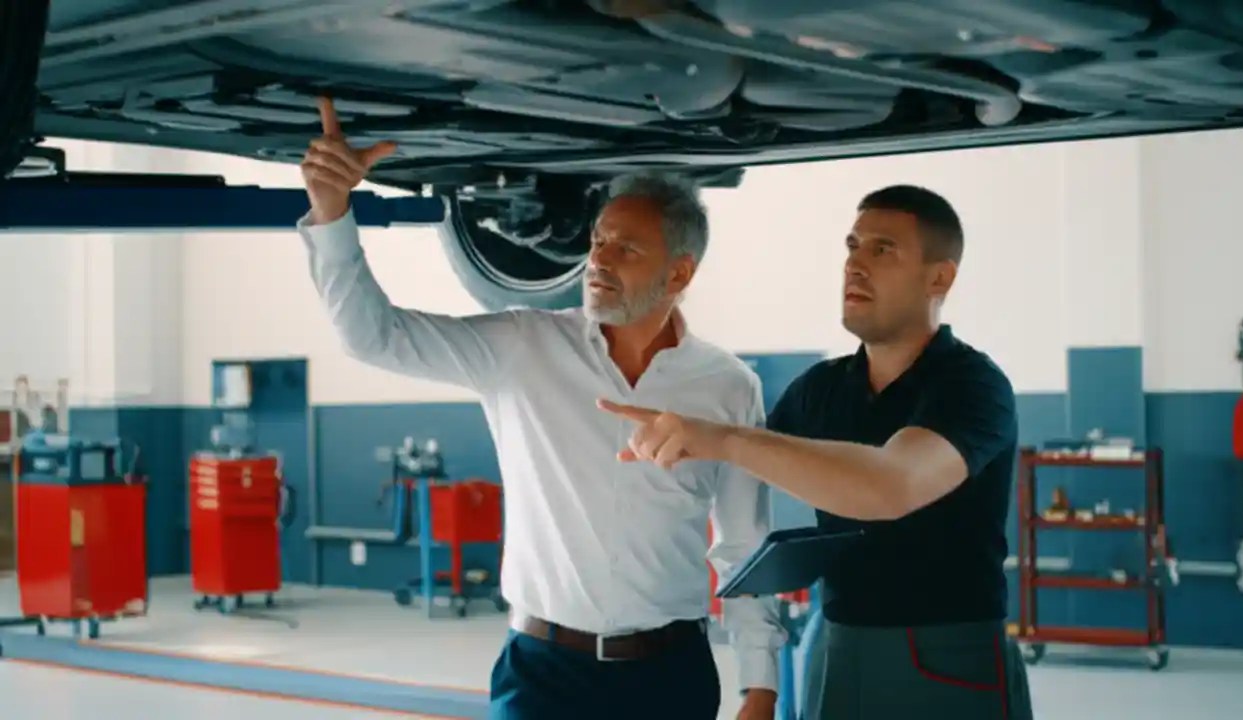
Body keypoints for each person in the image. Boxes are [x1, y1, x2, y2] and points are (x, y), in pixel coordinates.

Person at [297, 97, 784, 720]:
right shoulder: (523, 346)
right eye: (598, 240)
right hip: (543, 676)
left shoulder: (727, 385)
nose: (599, 260)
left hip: (671, 676)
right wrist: (332, 210)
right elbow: (374, 336)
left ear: (680, 272)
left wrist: (760, 685)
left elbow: (744, 546)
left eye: (626, 249)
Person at [600, 185, 1035, 719]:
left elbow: (890, 485)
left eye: (882, 250)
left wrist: (722, 437)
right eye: (852, 246)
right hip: (837, 647)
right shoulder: (819, 390)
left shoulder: (972, 386)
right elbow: (733, 491)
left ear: (939, 277)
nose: (854, 264)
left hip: (947, 655)